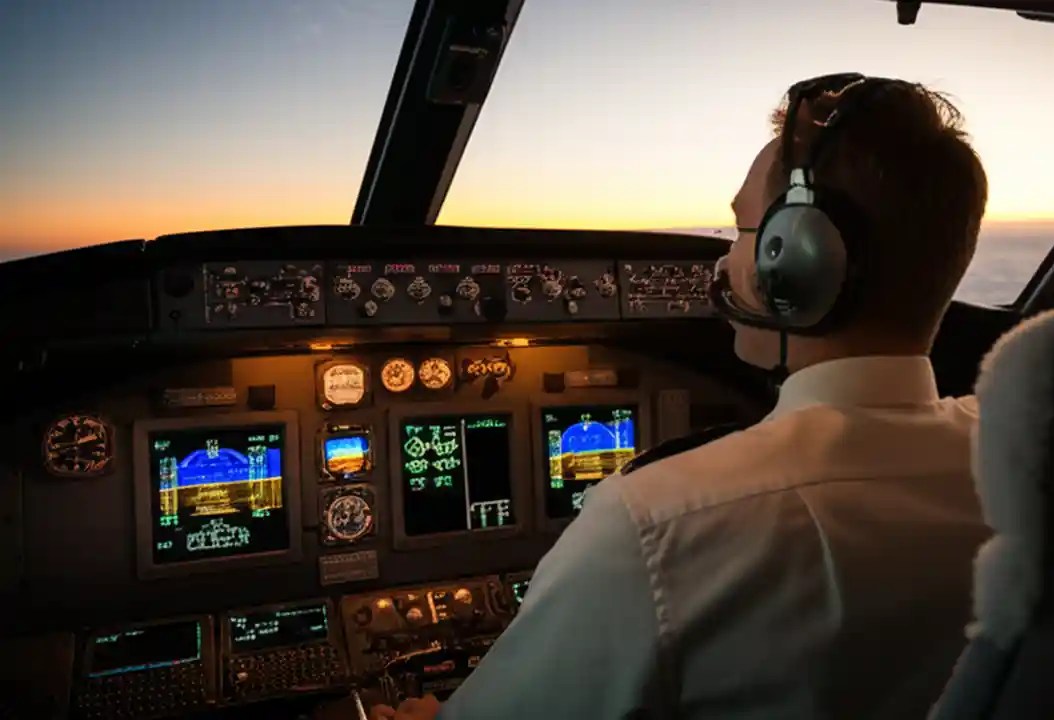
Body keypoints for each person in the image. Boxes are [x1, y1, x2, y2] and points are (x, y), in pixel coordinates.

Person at [373, 73, 991, 720]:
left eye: (745, 232)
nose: (723, 264)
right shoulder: (1023, 465)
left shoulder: (655, 525)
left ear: (800, 264)